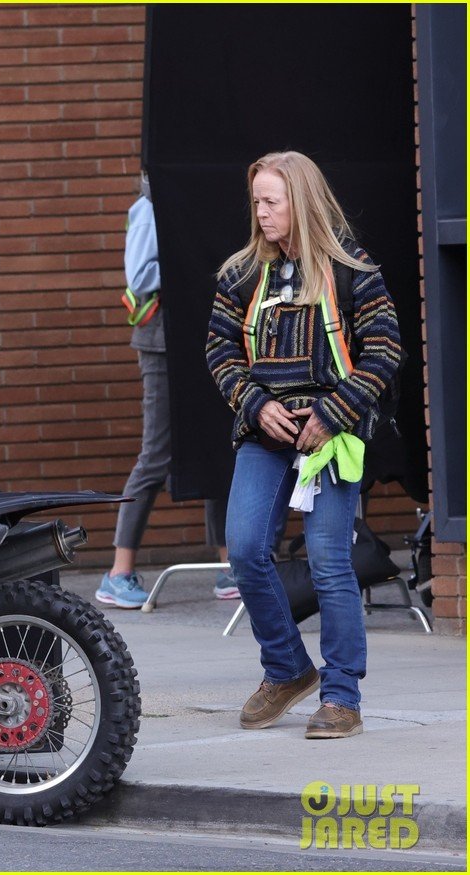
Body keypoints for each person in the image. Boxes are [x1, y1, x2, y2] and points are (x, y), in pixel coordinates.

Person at [206, 151, 402, 739]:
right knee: (243, 550)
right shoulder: (240, 274)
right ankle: (288, 669)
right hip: (264, 430)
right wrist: (256, 405)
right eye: (257, 202)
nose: (261, 213)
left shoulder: (352, 269)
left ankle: (342, 697)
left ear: (302, 202)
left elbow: (386, 349)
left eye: (272, 202)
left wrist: (335, 413)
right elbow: (219, 352)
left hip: (330, 434)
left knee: (329, 562)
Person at [97, 172, 237, 609]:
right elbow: (140, 279)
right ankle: (118, 572)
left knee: (218, 447)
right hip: (160, 345)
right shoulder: (149, 208)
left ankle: (228, 566)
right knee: (156, 456)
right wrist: (189, 258)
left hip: (202, 338)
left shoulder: (192, 204)